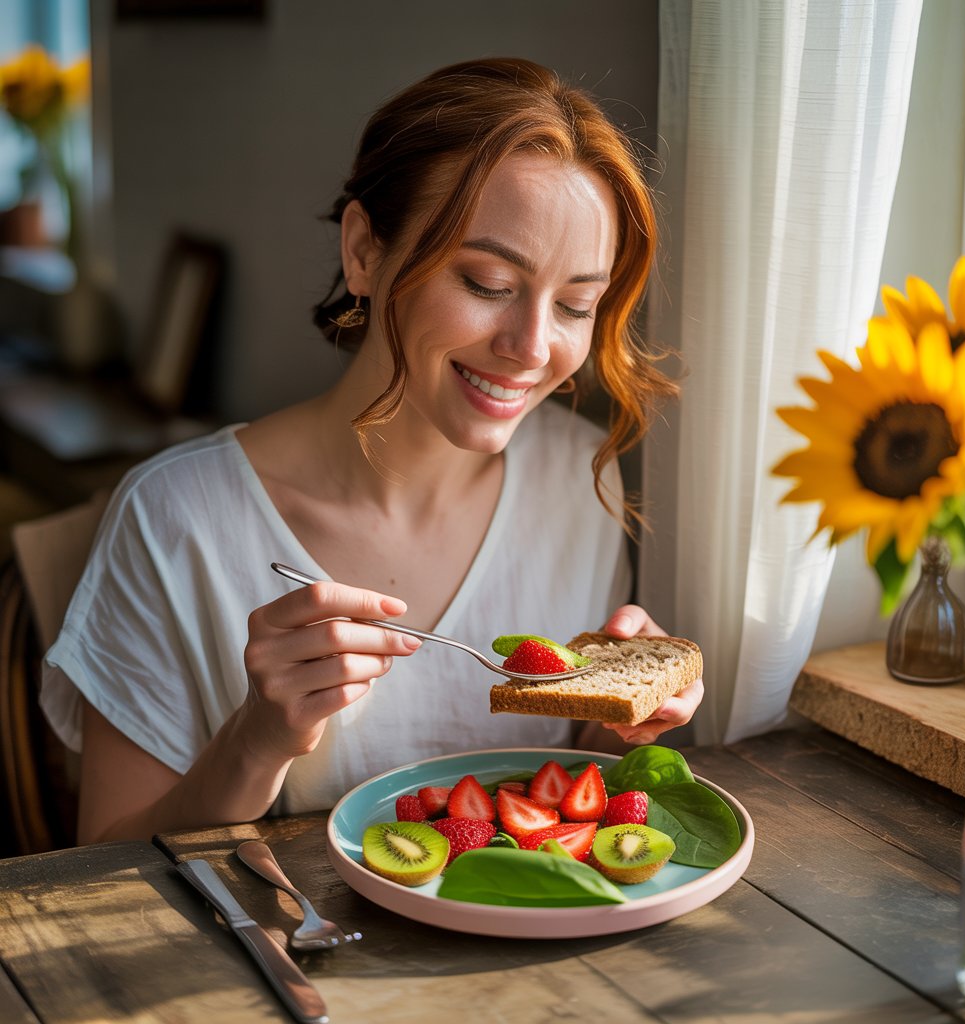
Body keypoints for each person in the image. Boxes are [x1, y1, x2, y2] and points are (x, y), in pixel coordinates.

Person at [40, 57, 704, 845]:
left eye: (575, 304)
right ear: (363, 251)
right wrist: (256, 742)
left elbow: (561, 790)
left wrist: (629, 723)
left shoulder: (575, 476)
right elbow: (102, 869)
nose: (532, 347)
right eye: (488, 282)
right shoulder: (174, 517)